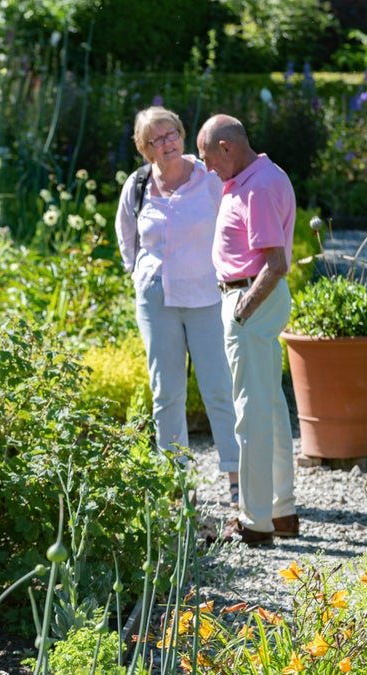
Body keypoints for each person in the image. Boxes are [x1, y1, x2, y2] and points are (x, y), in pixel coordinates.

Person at [115, 106, 241, 504]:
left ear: (182, 136)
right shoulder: (137, 185)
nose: (166, 143)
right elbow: (126, 234)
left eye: (171, 134)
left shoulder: (207, 179)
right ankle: (176, 484)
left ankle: (238, 481)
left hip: (205, 296)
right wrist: (137, 273)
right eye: (156, 139)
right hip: (156, 299)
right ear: (144, 149)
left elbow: (234, 223)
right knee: (165, 393)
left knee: (219, 389)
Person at [196, 114, 299, 547]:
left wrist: (241, 310)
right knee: (270, 408)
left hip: (249, 299)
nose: (207, 168)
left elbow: (276, 264)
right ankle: (281, 511)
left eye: (208, 159)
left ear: (227, 148)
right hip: (250, 300)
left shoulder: (256, 186)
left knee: (250, 414)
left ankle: (254, 522)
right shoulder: (257, 175)